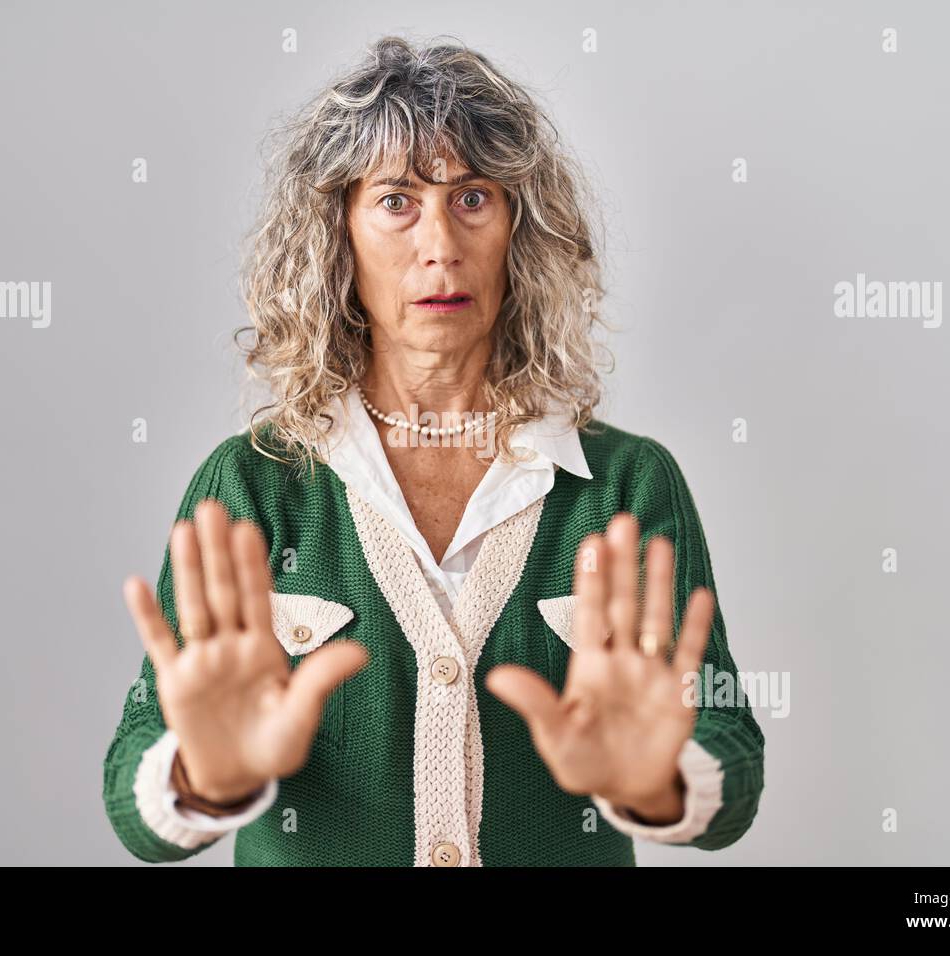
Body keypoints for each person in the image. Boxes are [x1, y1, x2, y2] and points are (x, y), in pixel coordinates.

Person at [102, 35, 764, 866]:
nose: (441, 245)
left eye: (474, 198)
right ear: (336, 235)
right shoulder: (253, 485)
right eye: (396, 200)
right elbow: (134, 788)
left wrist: (657, 782)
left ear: (520, 233)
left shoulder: (626, 486)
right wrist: (203, 777)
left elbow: (729, 752)